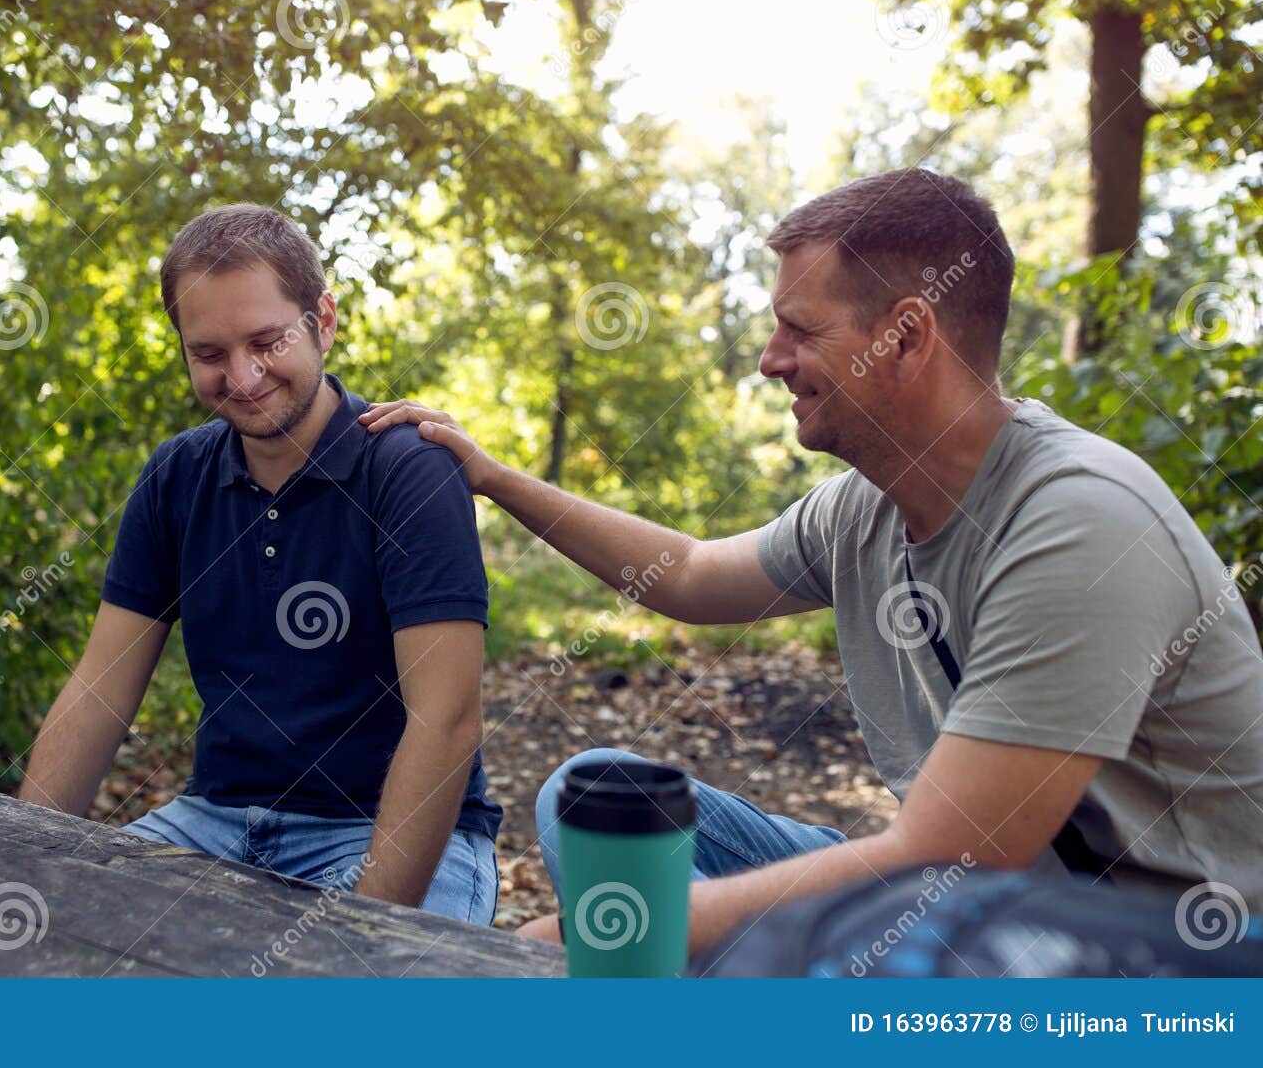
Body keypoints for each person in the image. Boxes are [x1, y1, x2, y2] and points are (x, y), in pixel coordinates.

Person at [359, 168, 1263, 953]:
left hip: (1156, 952)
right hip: (964, 902)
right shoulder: (864, 508)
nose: (769, 360)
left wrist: (612, 930)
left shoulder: (1079, 519)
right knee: (594, 799)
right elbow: (689, 574)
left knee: (687, 930)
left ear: (906, 336)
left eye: (799, 328)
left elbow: (948, 854)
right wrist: (494, 477)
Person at [18, 204, 501, 925]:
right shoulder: (176, 475)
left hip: (380, 830)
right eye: (208, 353)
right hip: (214, 821)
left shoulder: (409, 468)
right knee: (45, 933)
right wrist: (22, 855)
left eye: (267, 342)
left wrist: (365, 934)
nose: (242, 377)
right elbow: (100, 689)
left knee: (343, 987)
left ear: (323, 322)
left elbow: (448, 719)